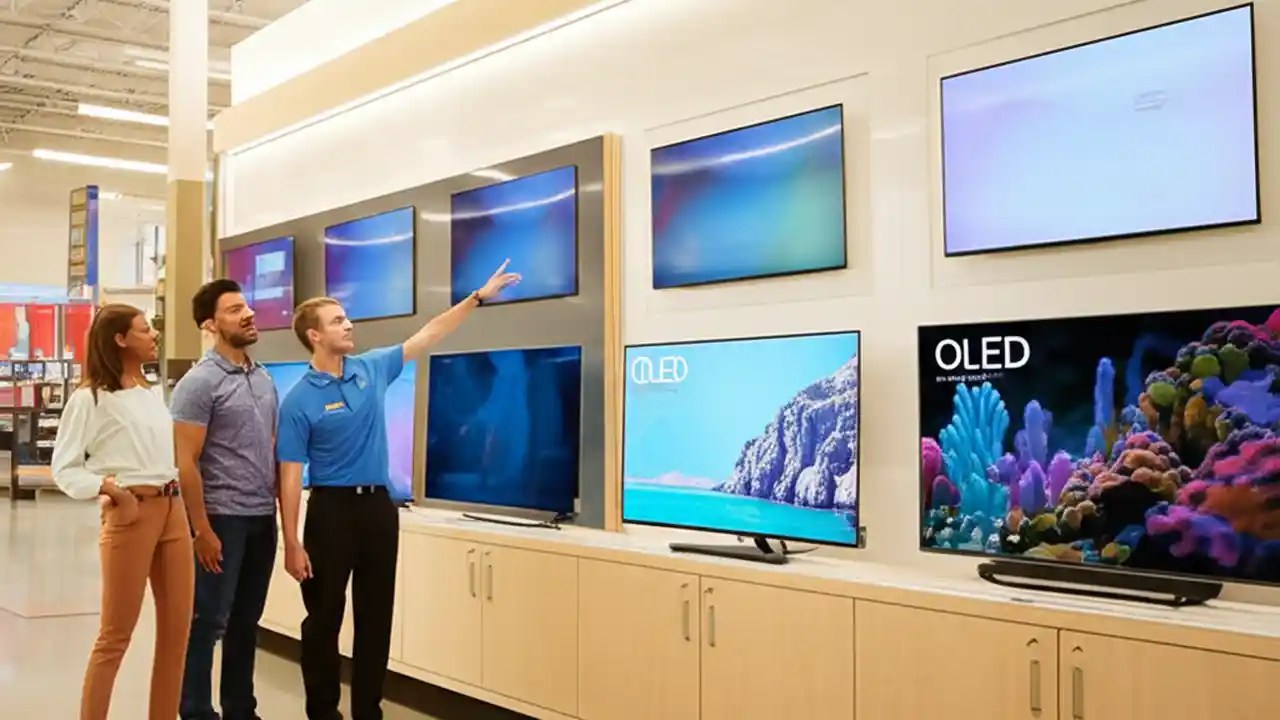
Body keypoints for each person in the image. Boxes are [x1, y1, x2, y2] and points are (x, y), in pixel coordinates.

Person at [278, 260, 520, 720]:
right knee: (324, 620)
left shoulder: (371, 368)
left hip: (379, 512)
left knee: (376, 620)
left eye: (346, 318)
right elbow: (290, 477)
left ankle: (369, 710)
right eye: (337, 321)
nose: (348, 325)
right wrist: (290, 542)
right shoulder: (298, 400)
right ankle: (323, 712)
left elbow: (429, 334)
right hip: (330, 513)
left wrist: (477, 297)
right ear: (314, 335)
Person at [50, 303, 194, 720]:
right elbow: (65, 466)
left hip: (173, 511)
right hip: (132, 513)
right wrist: (108, 488)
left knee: (176, 632)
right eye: (145, 330)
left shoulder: (150, 392)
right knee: (115, 635)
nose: (154, 336)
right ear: (120, 339)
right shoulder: (90, 398)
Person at [171, 279, 280, 720]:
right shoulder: (198, 384)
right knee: (208, 621)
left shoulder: (263, 376)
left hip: (261, 517)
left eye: (246, 307)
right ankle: (195, 710)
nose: (249, 314)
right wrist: (202, 529)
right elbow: (186, 462)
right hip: (222, 519)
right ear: (211, 325)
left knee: (246, 621)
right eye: (235, 310)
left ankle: (240, 708)